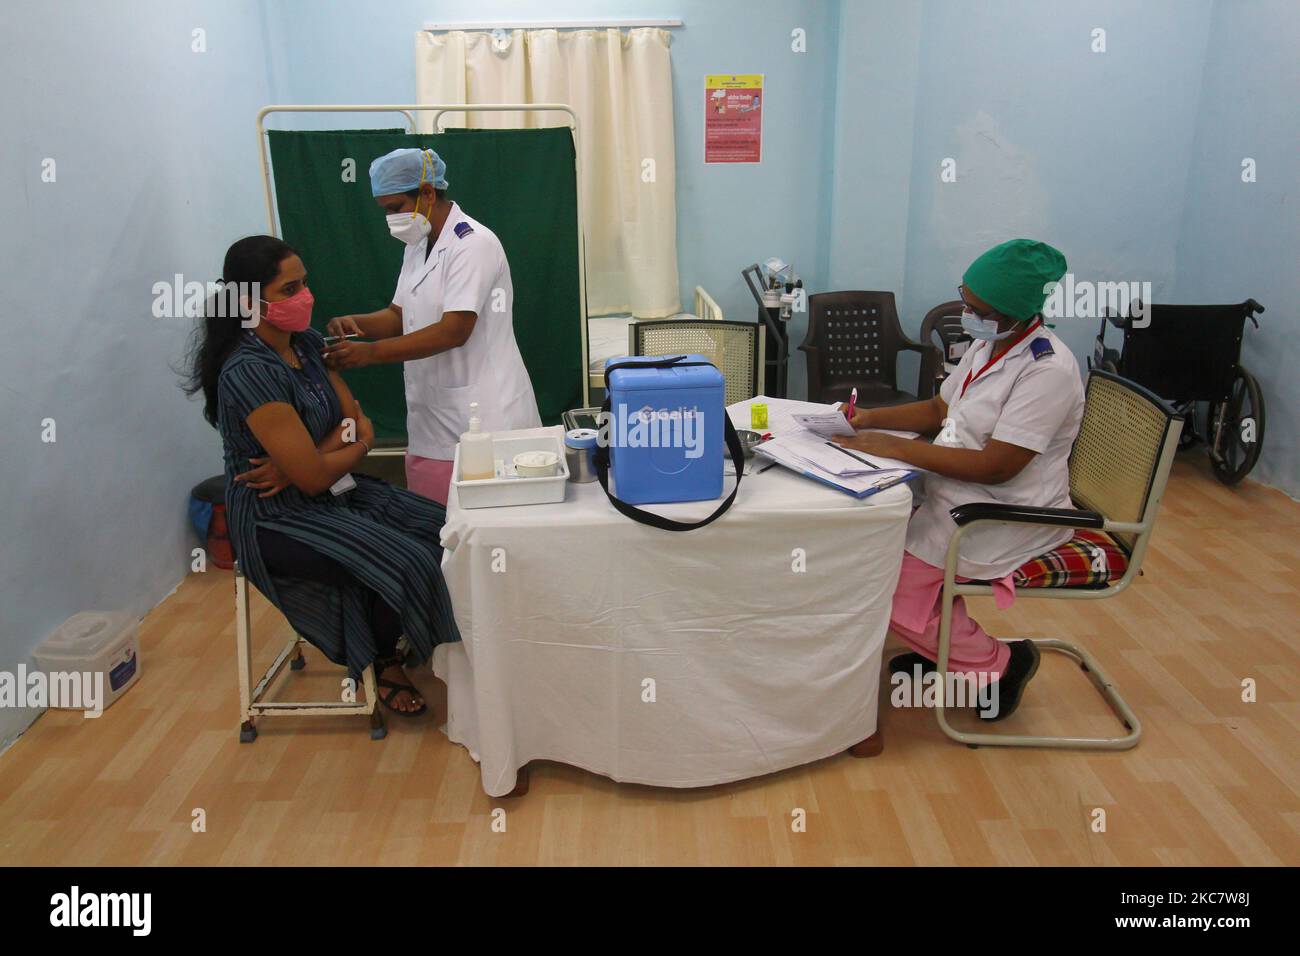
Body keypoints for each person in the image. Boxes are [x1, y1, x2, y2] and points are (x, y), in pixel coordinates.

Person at [183, 235, 461, 716]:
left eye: (305, 284)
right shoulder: (247, 371)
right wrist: (332, 455)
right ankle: (381, 660)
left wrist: (320, 456)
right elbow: (319, 471)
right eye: (290, 290)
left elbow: (357, 421)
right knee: (408, 559)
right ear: (251, 302)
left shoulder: (308, 345)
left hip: (334, 489)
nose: (305, 297)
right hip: (275, 517)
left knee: (446, 530)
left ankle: (408, 633)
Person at [833, 239, 1083, 720]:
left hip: (1004, 509)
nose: (967, 314)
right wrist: (868, 419)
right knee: (864, 549)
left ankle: (1001, 663)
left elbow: (998, 465)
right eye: (965, 300)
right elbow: (938, 409)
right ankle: (944, 648)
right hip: (956, 490)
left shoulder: (1047, 370)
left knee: (884, 584)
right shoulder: (988, 345)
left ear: (1016, 313)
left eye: (979, 309)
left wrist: (901, 448)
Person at [322, 147, 541, 504]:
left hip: (484, 412)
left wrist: (370, 354)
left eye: (395, 208)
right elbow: (398, 315)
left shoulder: (472, 243)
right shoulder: (418, 243)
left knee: (489, 523)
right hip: (432, 415)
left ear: (426, 192)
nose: (391, 218)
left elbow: (455, 329)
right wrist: (356, 324)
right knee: (436, 528)